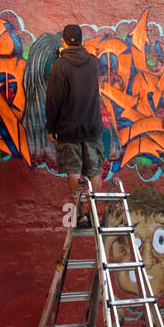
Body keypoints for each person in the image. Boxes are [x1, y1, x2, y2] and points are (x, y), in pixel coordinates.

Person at [45, 24, 104, 228]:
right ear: (81, 40)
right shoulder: (93, 63)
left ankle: (80, 211)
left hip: (68, 128)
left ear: (63, 40)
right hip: (92, 127)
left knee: (74, 169)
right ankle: (94, 211)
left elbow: (53, 99)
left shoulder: (59, 66)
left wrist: (50, 128)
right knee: (94, 169)